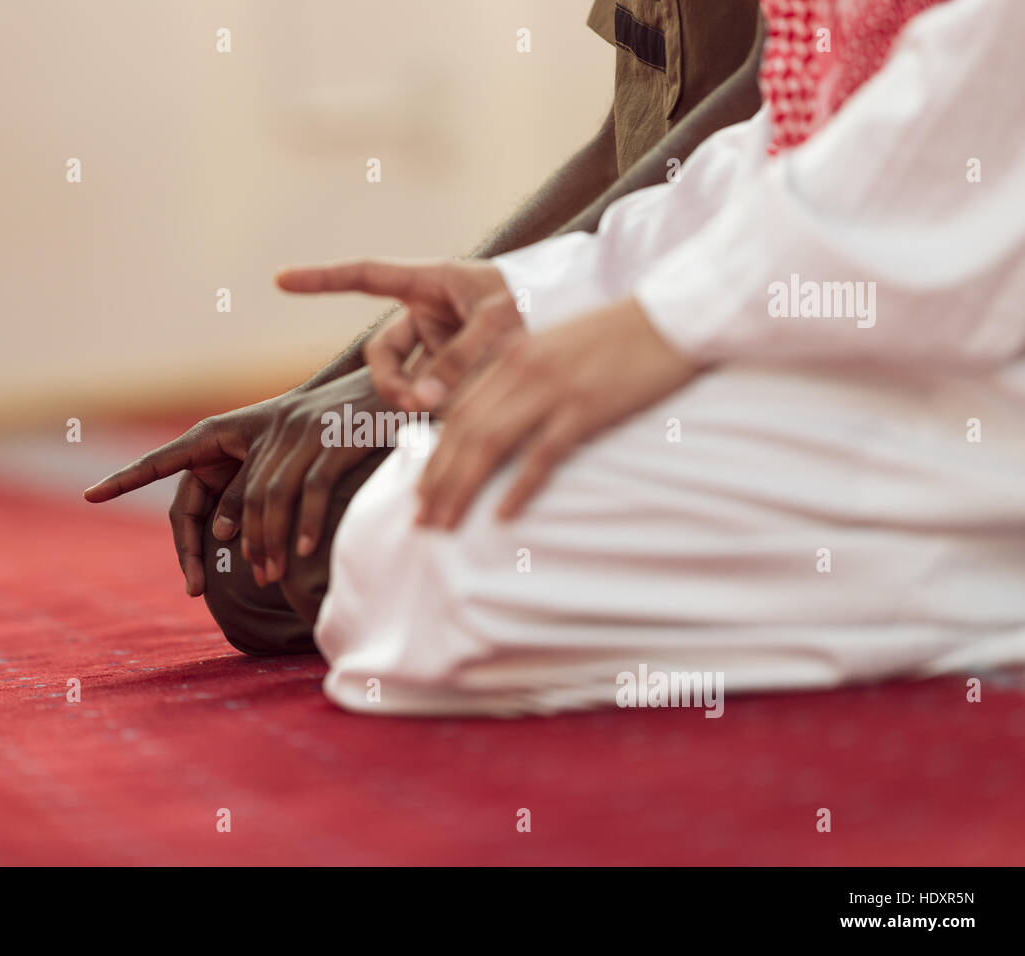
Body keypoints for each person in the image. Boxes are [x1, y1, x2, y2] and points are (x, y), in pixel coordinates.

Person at [272, 0, 1025, 715]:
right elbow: (788, 141)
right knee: (375, 534)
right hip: (861, 305)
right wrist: (530, 292)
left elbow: (968, 126)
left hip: (967, 352)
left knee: (442, 550)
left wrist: (663, 323)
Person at [85, 1, 767, 655]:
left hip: (735, 313)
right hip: (609, 289)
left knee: (324, 545)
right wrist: (325, 392)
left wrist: (421, 375)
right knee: (252, 557)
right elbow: (622, 142)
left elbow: (756, 127)